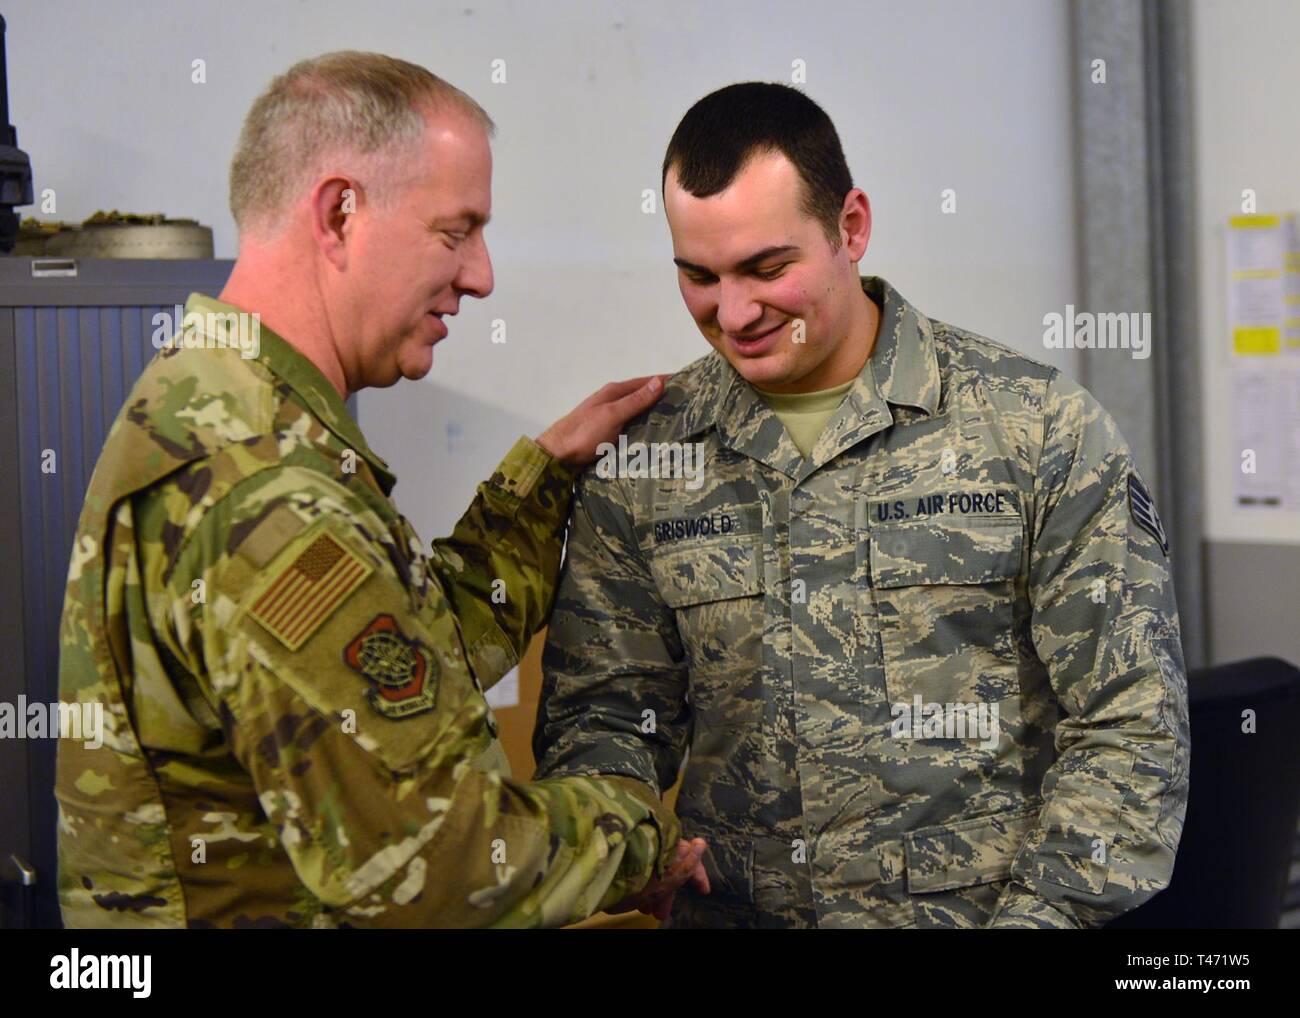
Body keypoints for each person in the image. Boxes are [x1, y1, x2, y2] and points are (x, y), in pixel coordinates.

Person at [54, 50, 707, 929]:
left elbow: (401, 662)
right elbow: (441, 867)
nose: (481, 275)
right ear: (339, 213)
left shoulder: (218, 405)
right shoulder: (272, 495)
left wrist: (539, 485)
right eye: (455, 230)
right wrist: (636, 832)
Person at [534, 82, 1190, 928]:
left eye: (767, 269)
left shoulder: (1034, 430)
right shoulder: (651, 461)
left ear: (851, 227)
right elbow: (606, 711)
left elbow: (1131, 728)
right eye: (698, 276)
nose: (733, 313)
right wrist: (622, 838)